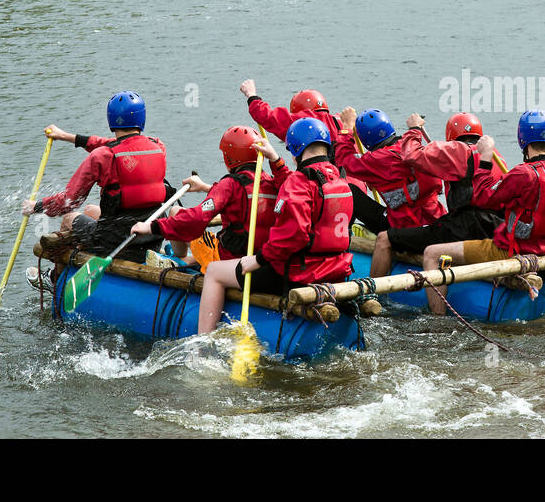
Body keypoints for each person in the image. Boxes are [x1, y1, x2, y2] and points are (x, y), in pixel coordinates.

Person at [416, 110, 545, 316]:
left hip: (513, 250)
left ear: (522, 139)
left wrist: (485, 159)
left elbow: (483, 197)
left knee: (432, 253)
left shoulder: (522, 174)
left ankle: (437, 321)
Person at [197, 119, 355, 334]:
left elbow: (294, 236)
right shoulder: (340, 179)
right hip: (336, 270)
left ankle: (203, 341)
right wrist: (276, 160)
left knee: (214, 271)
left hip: (299, 274)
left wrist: (258, 259)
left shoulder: (298, 182)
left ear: (297, 150)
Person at [22, 91, 172, 261]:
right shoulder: (158, 146)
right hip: (152, 234)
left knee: (69, 218)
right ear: (141, 119)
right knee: (89, 210)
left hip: (117, 240)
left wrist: (37, 207)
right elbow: (120, 146)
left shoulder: (101, 156)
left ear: (111, 120)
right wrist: (65, 136)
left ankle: (56, 278)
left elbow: (68, 202)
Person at [365, 112, 503, 278]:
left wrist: (414, 129)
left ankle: (370, 294)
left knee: (384, 238)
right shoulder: (495, 155)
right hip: (493, 227)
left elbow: (411, 155)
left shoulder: (457, 150)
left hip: (463, 227)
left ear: (451, 136)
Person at [241, 80, 387, 234]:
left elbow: (267, 117)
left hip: (332, 200)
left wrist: (251, 95)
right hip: (355, 197)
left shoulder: (308, 123)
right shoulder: (343, 124)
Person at [129, 126, 289, 261]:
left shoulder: (229, 184)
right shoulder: (273, 182)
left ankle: (180, 262)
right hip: (260, 257)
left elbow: (196, 219)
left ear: (229, 157)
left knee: (175, 212)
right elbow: (240, 197)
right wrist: (205, 187)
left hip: (230, 257)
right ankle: (189, 261)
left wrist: (152, 227)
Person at [334, 107, 446, 231]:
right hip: (436, 218)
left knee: (349, 190)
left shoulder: (376, 160)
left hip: (404, 225)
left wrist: (346, 127)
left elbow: (343, 158)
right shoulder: (413, 146)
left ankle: (347, 232)